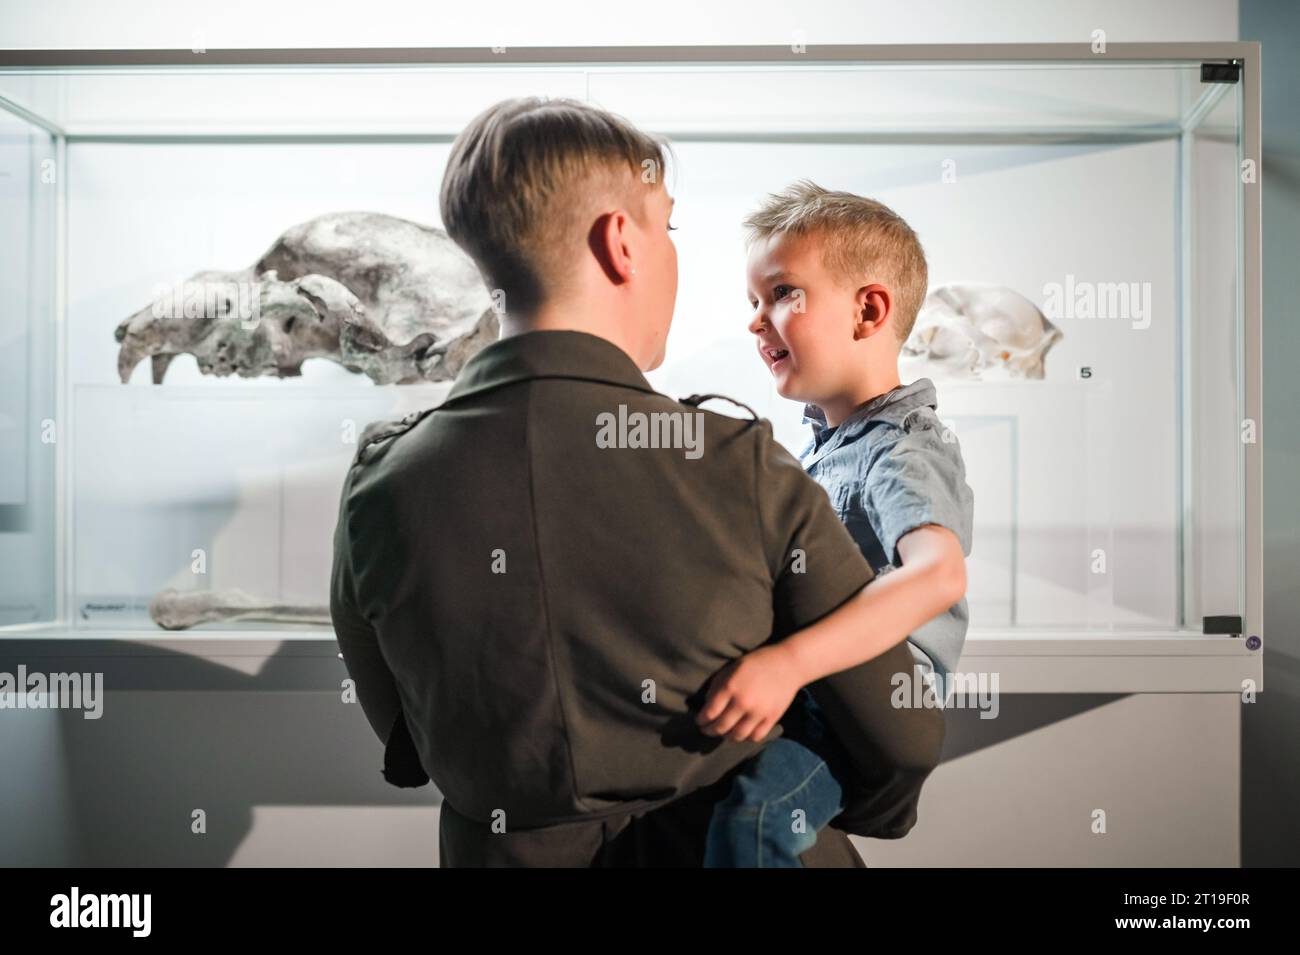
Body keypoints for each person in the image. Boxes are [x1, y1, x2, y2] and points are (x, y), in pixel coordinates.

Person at [329, 98, 944, 867]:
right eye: (668, 228)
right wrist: (844, 802)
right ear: (620, 242)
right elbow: (902, 727)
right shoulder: (735, 463)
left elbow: (399, 724)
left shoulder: (381, 483)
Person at [701, 181, 974, 867]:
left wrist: (786, 662)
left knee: (754, 823)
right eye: (753, 302)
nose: (757, 321)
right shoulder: (824, 446)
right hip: (817, 694)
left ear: (869, 310)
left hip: (853, 711)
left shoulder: (901, 447)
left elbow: (938, 572)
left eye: (783, 293)